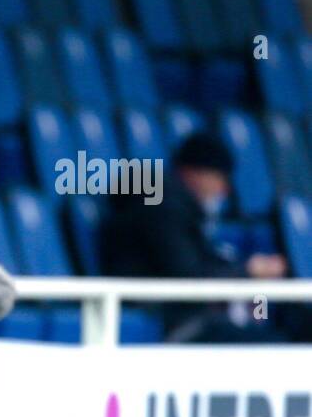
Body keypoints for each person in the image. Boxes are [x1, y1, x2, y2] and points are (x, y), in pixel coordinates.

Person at [101, 132, 291, 342]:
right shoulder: (161, 209)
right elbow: (189, 276)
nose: (224, 190)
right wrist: (247, 271)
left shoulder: (181, 210)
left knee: (273, 327)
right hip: (168, 319)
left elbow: (201, 264)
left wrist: (248, 273)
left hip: (188, 314)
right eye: (220, 178)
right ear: (193, 173)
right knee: (269, 344)